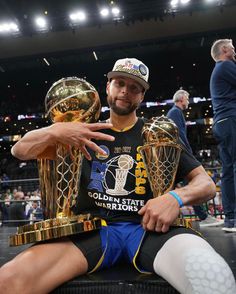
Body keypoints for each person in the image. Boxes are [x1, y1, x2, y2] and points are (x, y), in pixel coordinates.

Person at [0, 58, 235, 294]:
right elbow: (19, 150)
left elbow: (205, 184)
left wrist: (174, 197)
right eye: (120, 83)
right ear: (108, 87)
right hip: (92, 231)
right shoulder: (79, 133)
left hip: (150, 230)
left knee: (212, 277)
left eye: (134, 87)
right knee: (8, 280)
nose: (125, 91)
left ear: (142, 96)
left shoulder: (157, 134)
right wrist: (56, 130)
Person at [167, 89, 223, 227]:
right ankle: (203, 217)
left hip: (175, 156)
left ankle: (201, 217)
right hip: (179, 156)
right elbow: (179, 136)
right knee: (193, 185)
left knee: (178, 187)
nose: (188, 101)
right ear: (181, 99)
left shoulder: (175, 112)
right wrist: (189, 154)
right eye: (187, 98)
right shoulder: (175, 112)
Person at [210, 39, 236, 233]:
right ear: (225, 50)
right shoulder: (226, 65)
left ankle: (231, 219)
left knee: (228, 170)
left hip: (222, 122)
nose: (234, 51)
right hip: (230, 119)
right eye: (233, 47)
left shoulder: (219, 69)